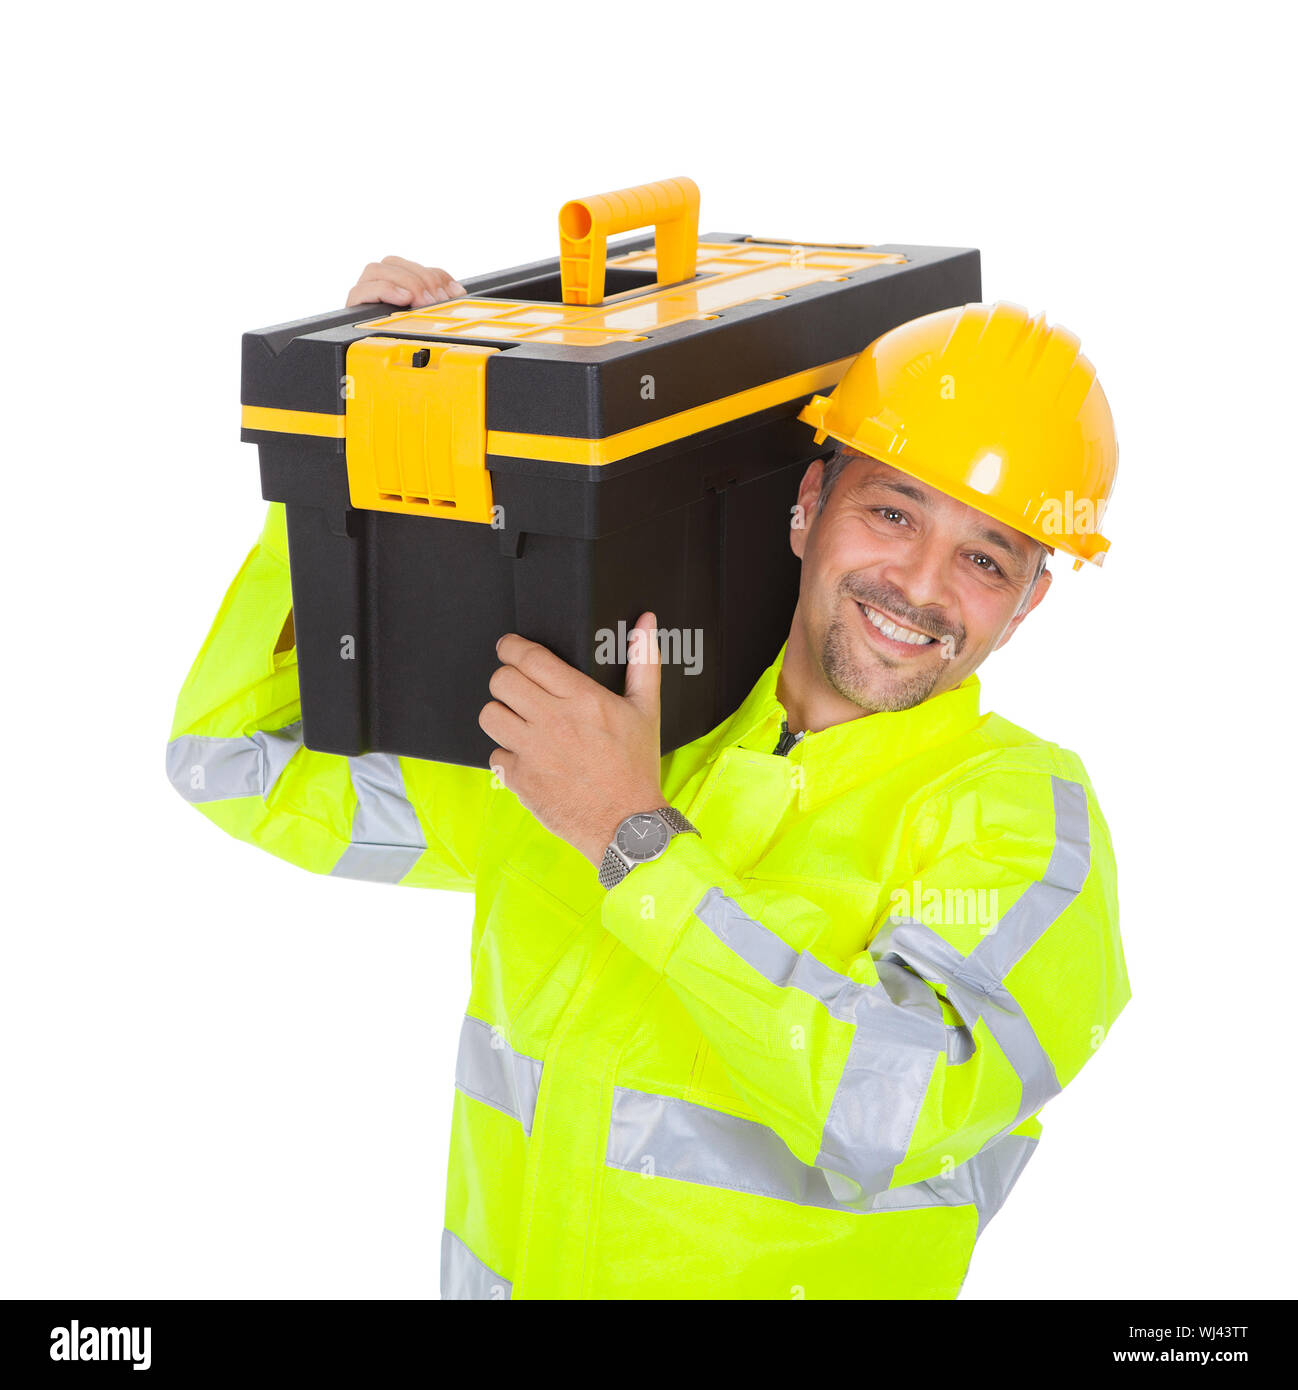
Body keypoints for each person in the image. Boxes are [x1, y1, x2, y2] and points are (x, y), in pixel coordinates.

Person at [167, 255, 1130, 1300]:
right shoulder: (612, 729)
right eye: (891, 513)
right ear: (808, 504)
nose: (919, 586)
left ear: (1026, 603)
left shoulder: (1022, 819)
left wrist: (634, 838)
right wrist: (344, 456)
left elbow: (893, 1109)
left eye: (985, 559)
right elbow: (231, 760)